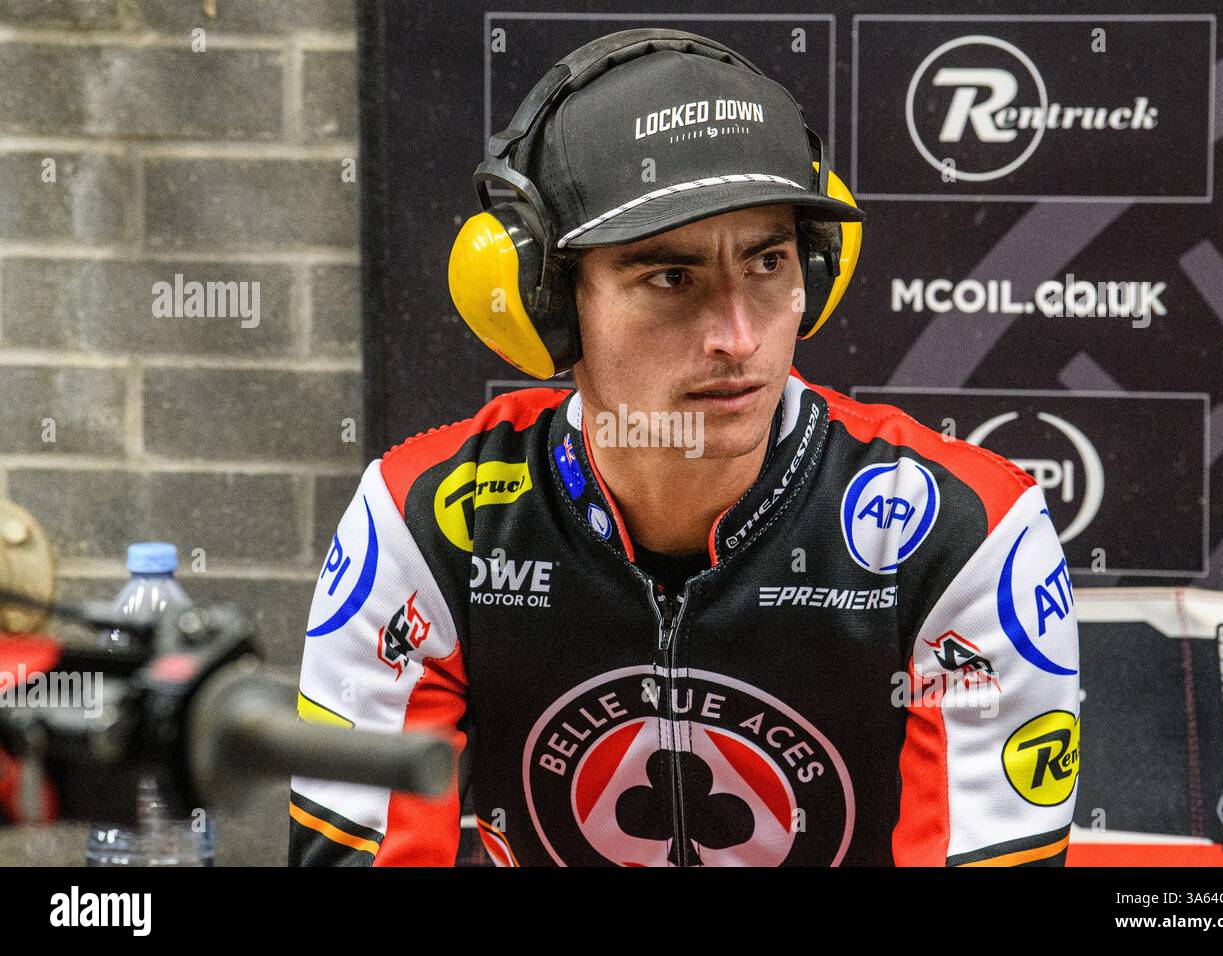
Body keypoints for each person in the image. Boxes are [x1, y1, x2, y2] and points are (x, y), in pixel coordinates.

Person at [288, 29, 1080, 867]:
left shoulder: (963, 537)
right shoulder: (425, 526)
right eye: (671, 278)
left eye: (769, 261)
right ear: (546, 304)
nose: (737, 337)